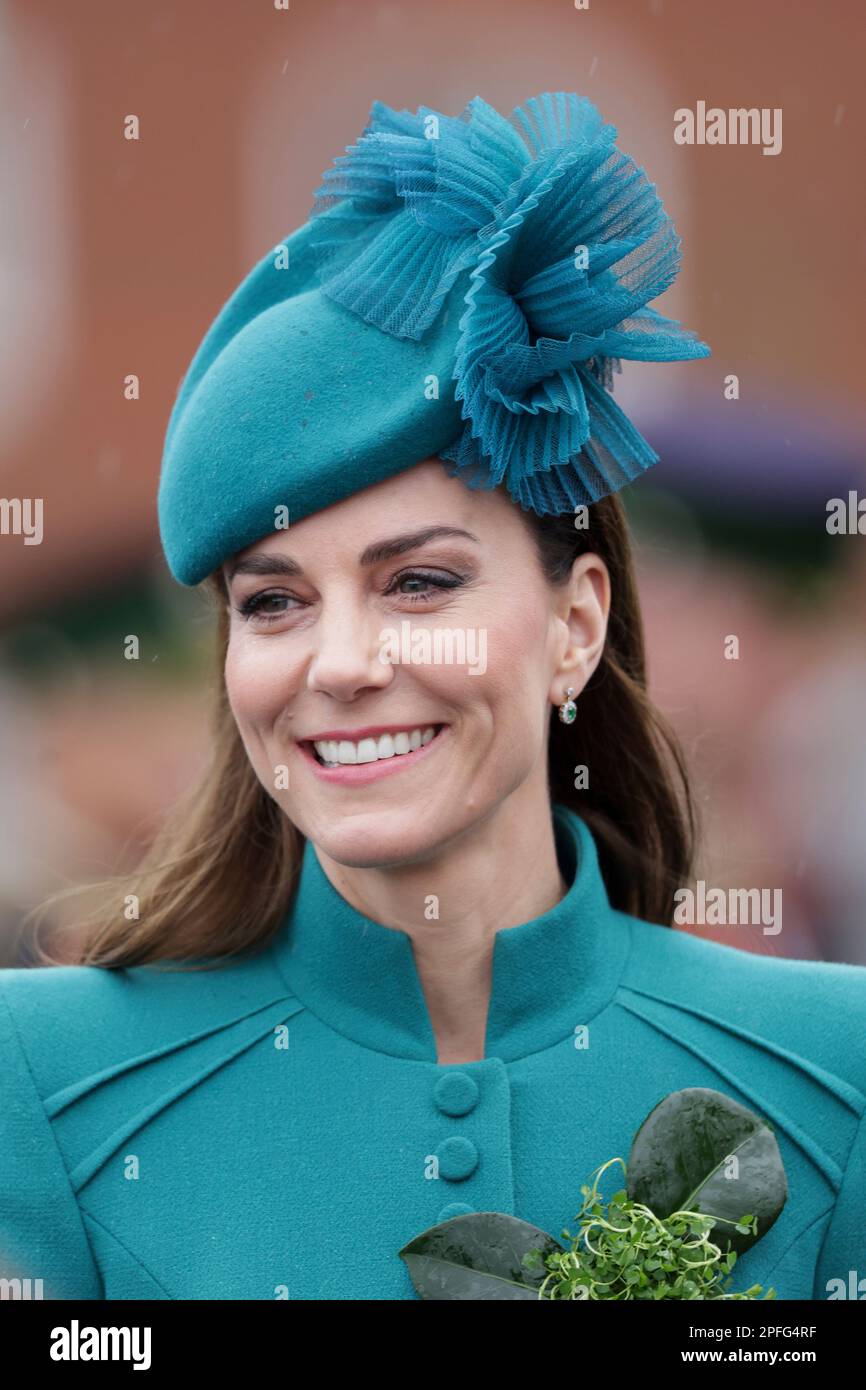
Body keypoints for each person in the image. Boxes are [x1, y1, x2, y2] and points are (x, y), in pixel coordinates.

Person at [1, 92, 863, 1302]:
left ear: (575, 626)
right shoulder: (40, 1080)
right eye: (273, 601)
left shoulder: (834, 1069)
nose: (339, 663)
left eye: (417, 582)